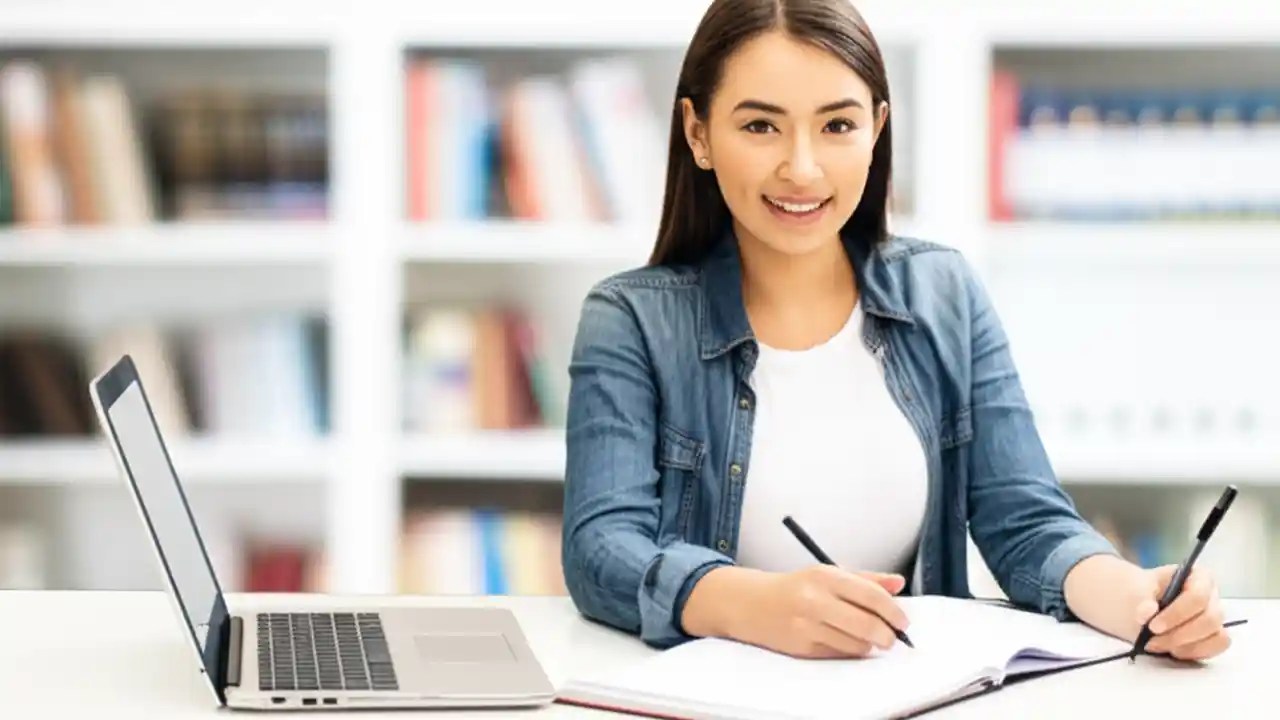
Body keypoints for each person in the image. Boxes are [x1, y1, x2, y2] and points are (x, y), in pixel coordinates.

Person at [560, 0, 1230, 662]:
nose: (803, 167)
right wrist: (749, 605)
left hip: (898, 688)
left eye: (837, 125)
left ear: (877, 128)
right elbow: (602, 549)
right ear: (698, 133)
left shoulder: (943, 293)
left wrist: (1137, 600)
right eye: (761, 126)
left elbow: (1025, 522)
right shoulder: (632, 321)